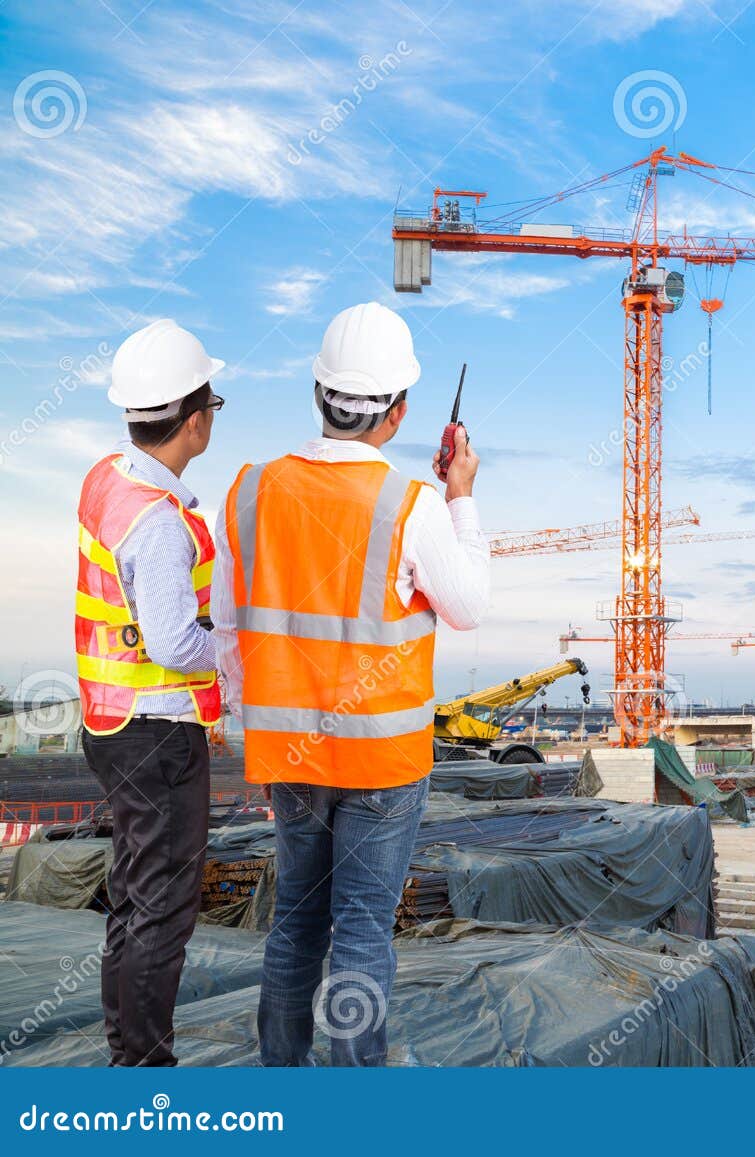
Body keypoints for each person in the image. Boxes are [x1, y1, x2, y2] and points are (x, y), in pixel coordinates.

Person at [211, 301, 489, 1066]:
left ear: (317, 394)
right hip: (382, 763)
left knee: (296, 923)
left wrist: (260, 721)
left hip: (291, 754)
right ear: (397, 414)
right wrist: (461, 494)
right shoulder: (412, 505)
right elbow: (469, 605)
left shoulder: (247, 491)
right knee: (362, 932)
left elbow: (226, 628)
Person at [75, 319, 227, 1066]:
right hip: (156, 735)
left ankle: (126, 1053)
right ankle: (144, 1071)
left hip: (112, 723)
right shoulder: (160, 524)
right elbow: (173, 643)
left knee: (136, 899)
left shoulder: (107, 477)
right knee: (162, 913)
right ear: (194, 421)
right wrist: (233, 654)